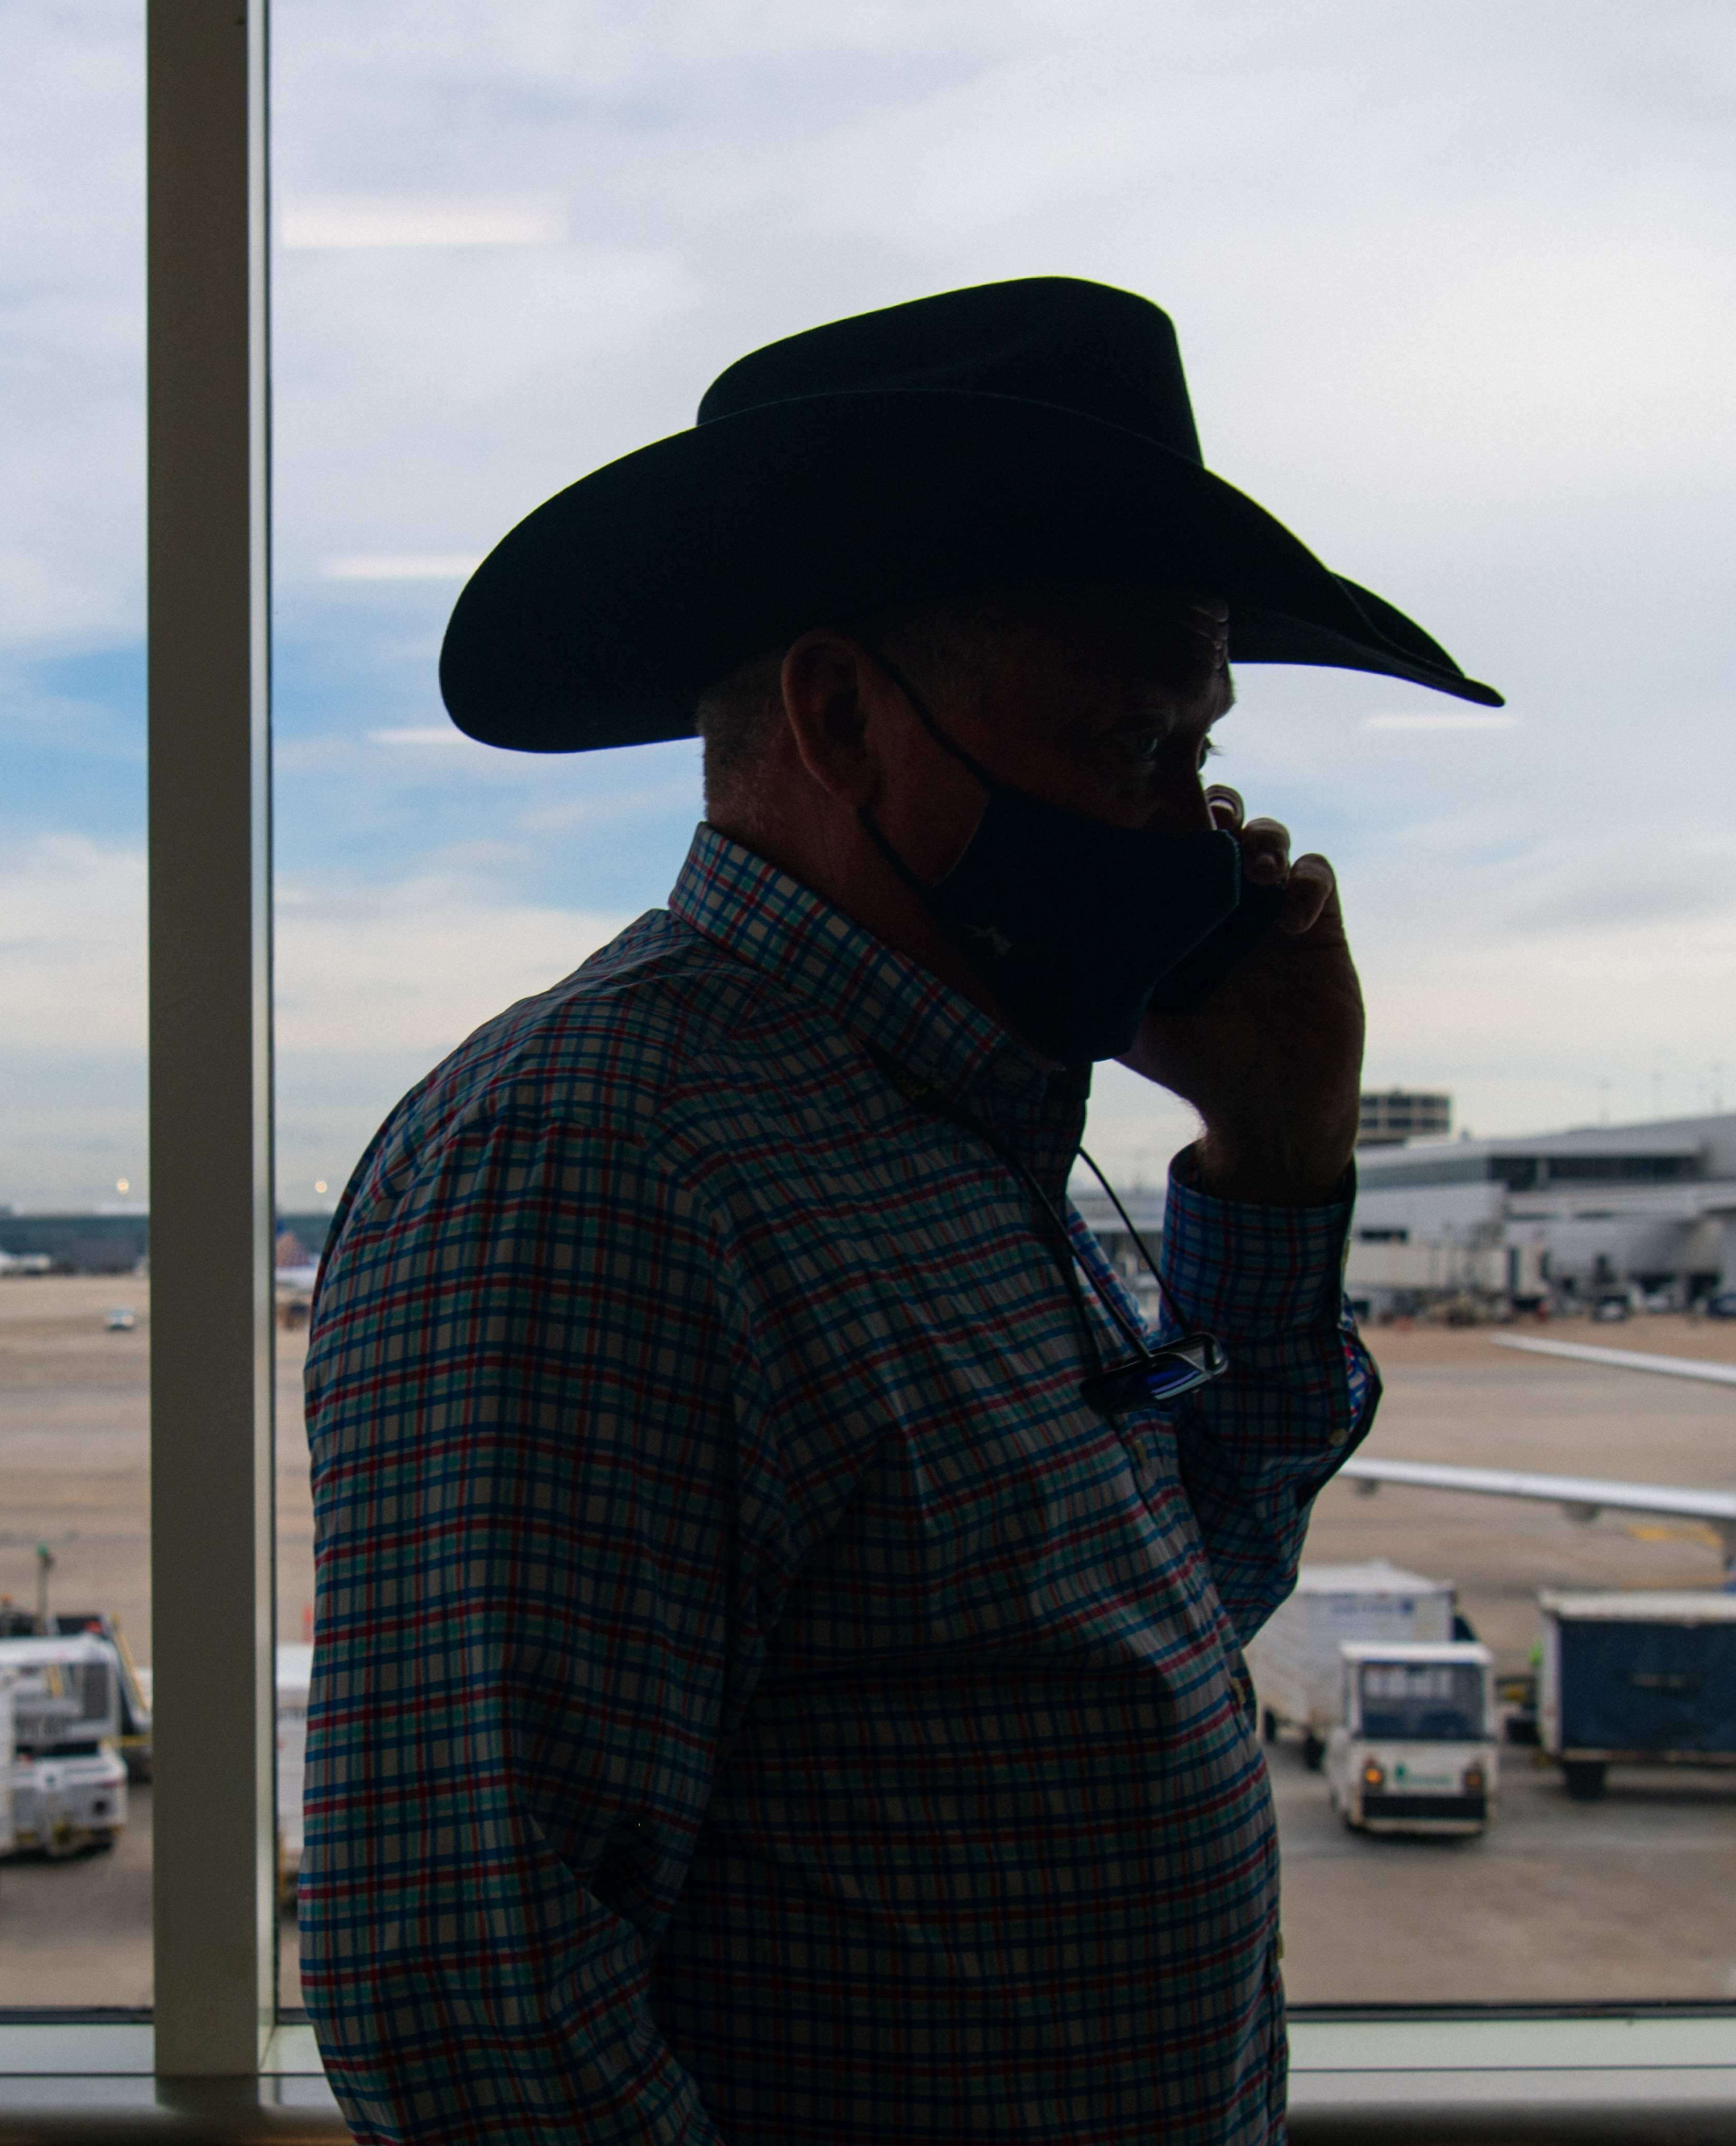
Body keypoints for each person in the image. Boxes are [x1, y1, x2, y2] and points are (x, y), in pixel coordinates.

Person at [299, 278, 1502, 2143]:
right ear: (845, 718)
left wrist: (1276, 1154)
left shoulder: (961, 1137)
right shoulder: (602, 1166)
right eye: (1130, 745)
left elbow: (1177, 1607)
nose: (1194, 835)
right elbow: (479, 2012)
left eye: (1203, 752)